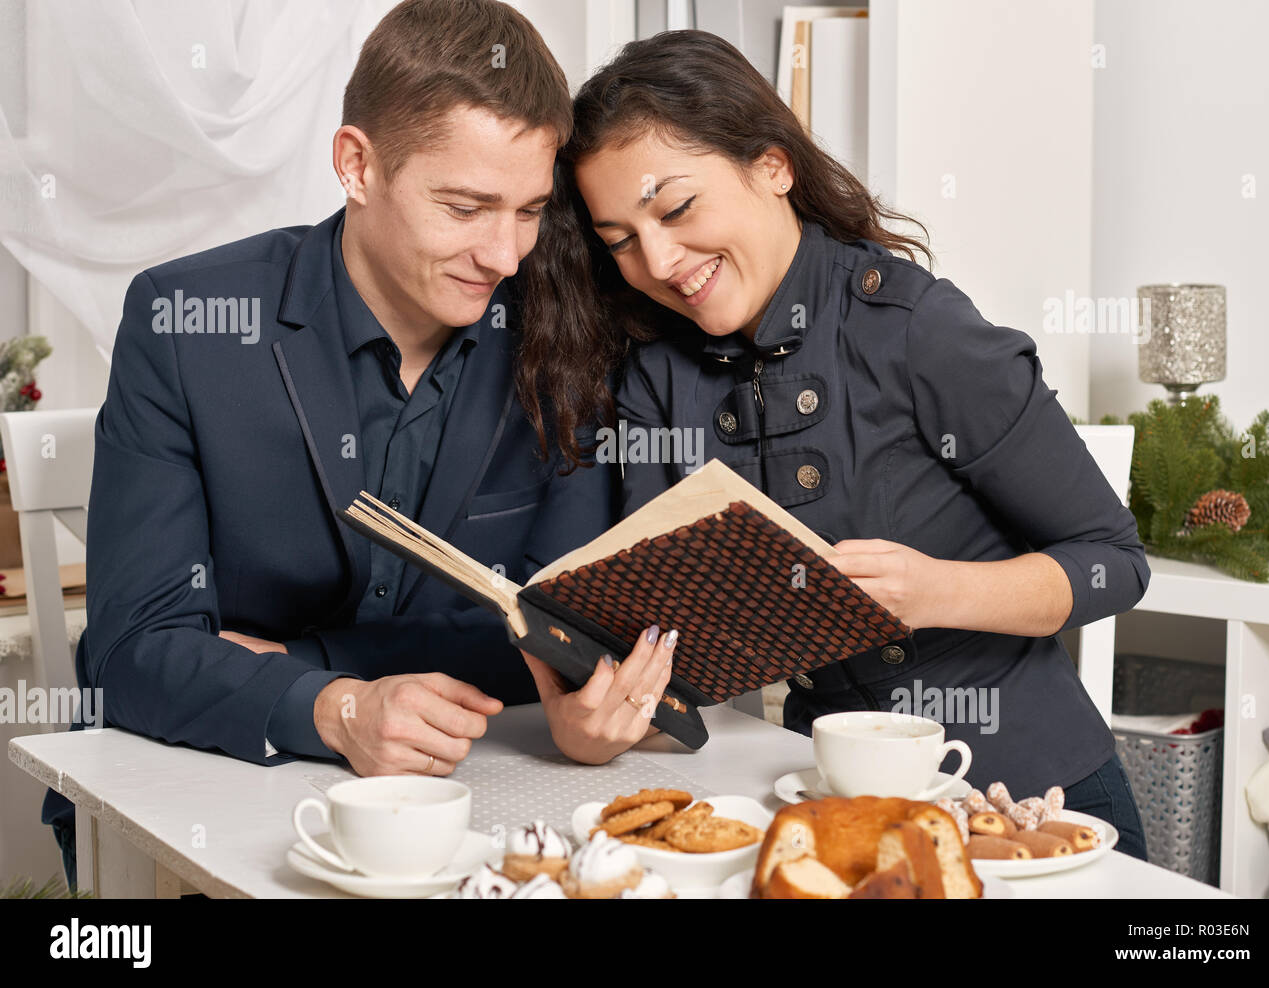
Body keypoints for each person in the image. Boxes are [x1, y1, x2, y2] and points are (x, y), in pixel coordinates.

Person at [41, 0, 671, 890]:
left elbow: (556, 634)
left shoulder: (557, 335)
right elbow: (131, 648)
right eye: (465, 206)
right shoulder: (186, 326)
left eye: (530, 210)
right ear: (357, 165)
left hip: (472, 793)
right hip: (195, 787)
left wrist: (298, 664)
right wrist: (335, 709)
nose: (504, 253)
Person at [547, 30, 1152, 857]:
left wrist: (936, 591)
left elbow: (1113, 559)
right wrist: (597, 721)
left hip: (1025, 797)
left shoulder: (918, 329)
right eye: (619, 240)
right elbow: (665, 651)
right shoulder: (655, 378)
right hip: (819, 789)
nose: (657, 259)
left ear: (772, 166)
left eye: (677, 208)